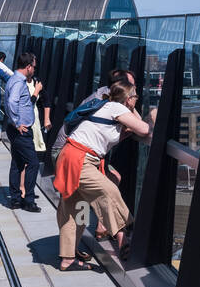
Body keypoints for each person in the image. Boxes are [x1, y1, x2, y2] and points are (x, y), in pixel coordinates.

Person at [54, 80, 152, 271]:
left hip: (73, 156)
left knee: (77, 209)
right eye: (135, 97)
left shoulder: (108, 108)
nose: (137, 100)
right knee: (109, 191)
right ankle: (125, 236)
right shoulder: (114, 107)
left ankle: (68, 257)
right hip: (79, 159)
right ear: (129, 98)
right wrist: (133, 109)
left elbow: (115, 134)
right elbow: (144, 129)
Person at [4, 51, 41, 212]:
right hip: (21, 130)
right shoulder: (19, 82)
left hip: (15, 129)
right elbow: (12, 102)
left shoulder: (13, 79)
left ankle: (16, 199)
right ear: (28, 67)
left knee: (17, 162)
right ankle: (28, 200)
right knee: (32, 163)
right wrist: (18, 122)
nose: (34, 69)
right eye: (33, 66)